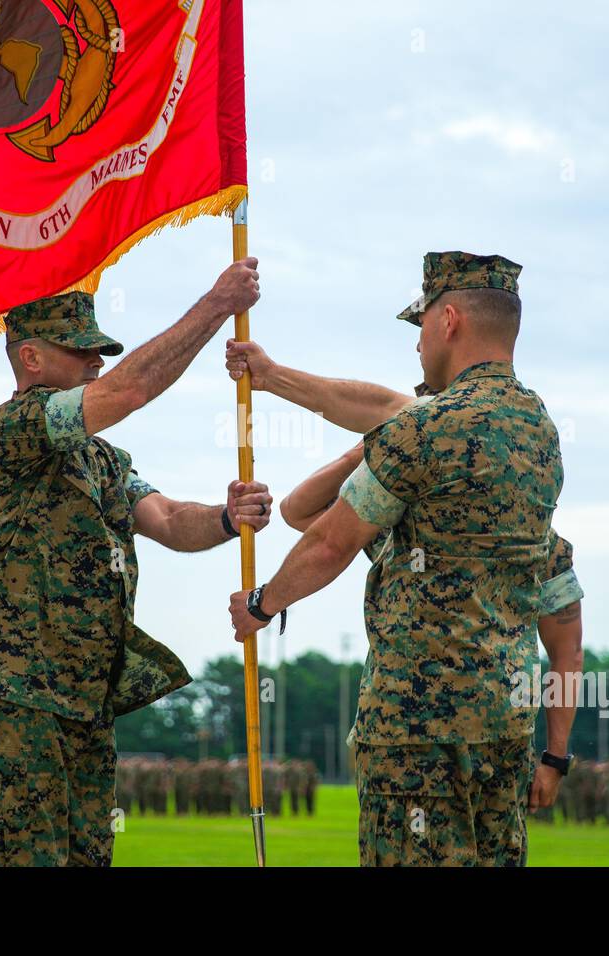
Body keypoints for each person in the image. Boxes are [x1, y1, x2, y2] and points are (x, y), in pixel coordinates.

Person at [227, 251, 563, 866]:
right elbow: (387, 409)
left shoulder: (428, 430)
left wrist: (261, 603)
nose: (417, 345)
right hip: (504, 727)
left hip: (417, 731)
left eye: (423, 323)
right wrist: (274, 377)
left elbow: (330, 539)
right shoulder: (537, 429)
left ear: (450, 320)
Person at [0, 261, 270, 867]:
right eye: (81, 350)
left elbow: (169, 520)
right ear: (32, 358)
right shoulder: (6, 431)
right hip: (16, 702)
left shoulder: (104, 460)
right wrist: (217, 303)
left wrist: (226, 518)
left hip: (85, 705)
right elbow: (127, 392)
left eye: (100, 351)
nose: (96, 361)